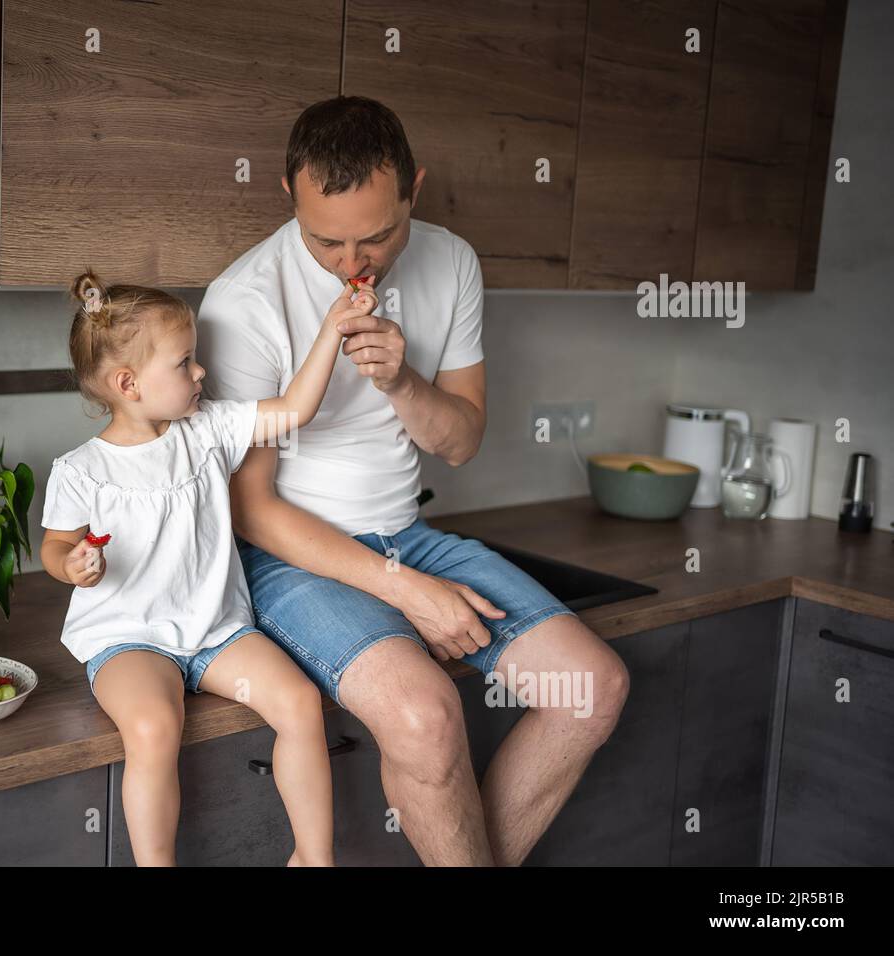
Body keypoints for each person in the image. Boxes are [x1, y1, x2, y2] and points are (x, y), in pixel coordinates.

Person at [195, 95, 632, 866]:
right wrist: (403, 589)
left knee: (591, 689)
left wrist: (403, 384)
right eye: (326, 240)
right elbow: (250, 509)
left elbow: (460, 443)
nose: (351, 263)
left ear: (414, 191)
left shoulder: (453, 261)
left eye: (378, 235)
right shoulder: (243, 303)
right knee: (427, 716)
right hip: (288, 558)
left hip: (408, 534)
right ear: (287, 195)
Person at [38, 268, 378, 866]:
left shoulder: (210, 428)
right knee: (152, 729)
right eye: (184, 361)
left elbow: (295, 408)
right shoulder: (81, 469)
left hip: (217, 632)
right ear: (128, 382)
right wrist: (73, 564)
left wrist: (332, 328)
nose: (201, 372)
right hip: (129, 638)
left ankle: (313, 858)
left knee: (299, 703)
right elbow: (54, 546)